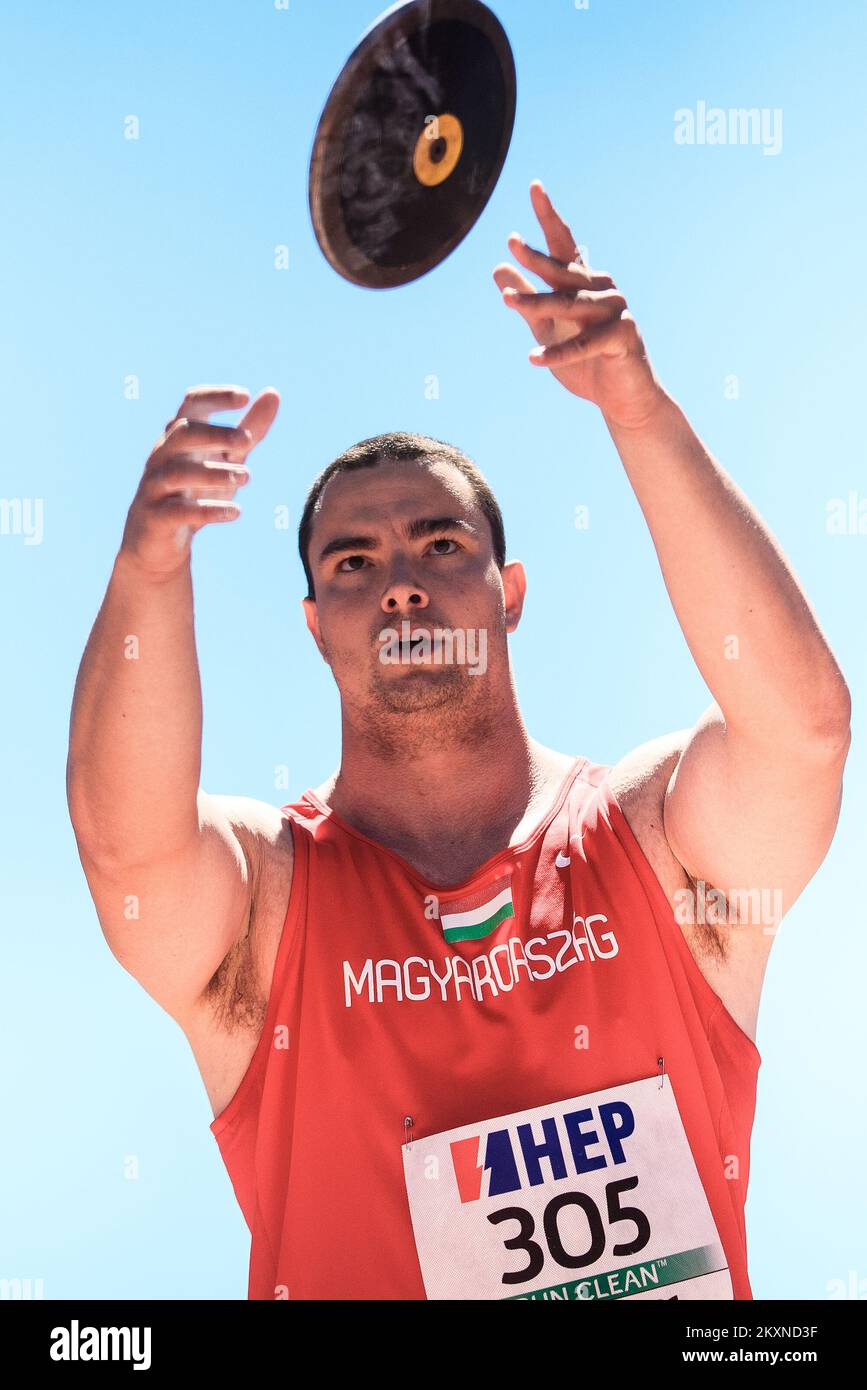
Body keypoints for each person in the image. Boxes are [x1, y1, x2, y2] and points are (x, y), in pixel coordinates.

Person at [67, 182, 850, 1301]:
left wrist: (637, 407)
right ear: (312, 624)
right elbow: (129, 858)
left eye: (440, 543)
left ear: (509, 591)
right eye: (352, 562)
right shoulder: (274, 904)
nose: (399, 584)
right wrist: (147, 569)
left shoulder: (653, 848)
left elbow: (803, 730)